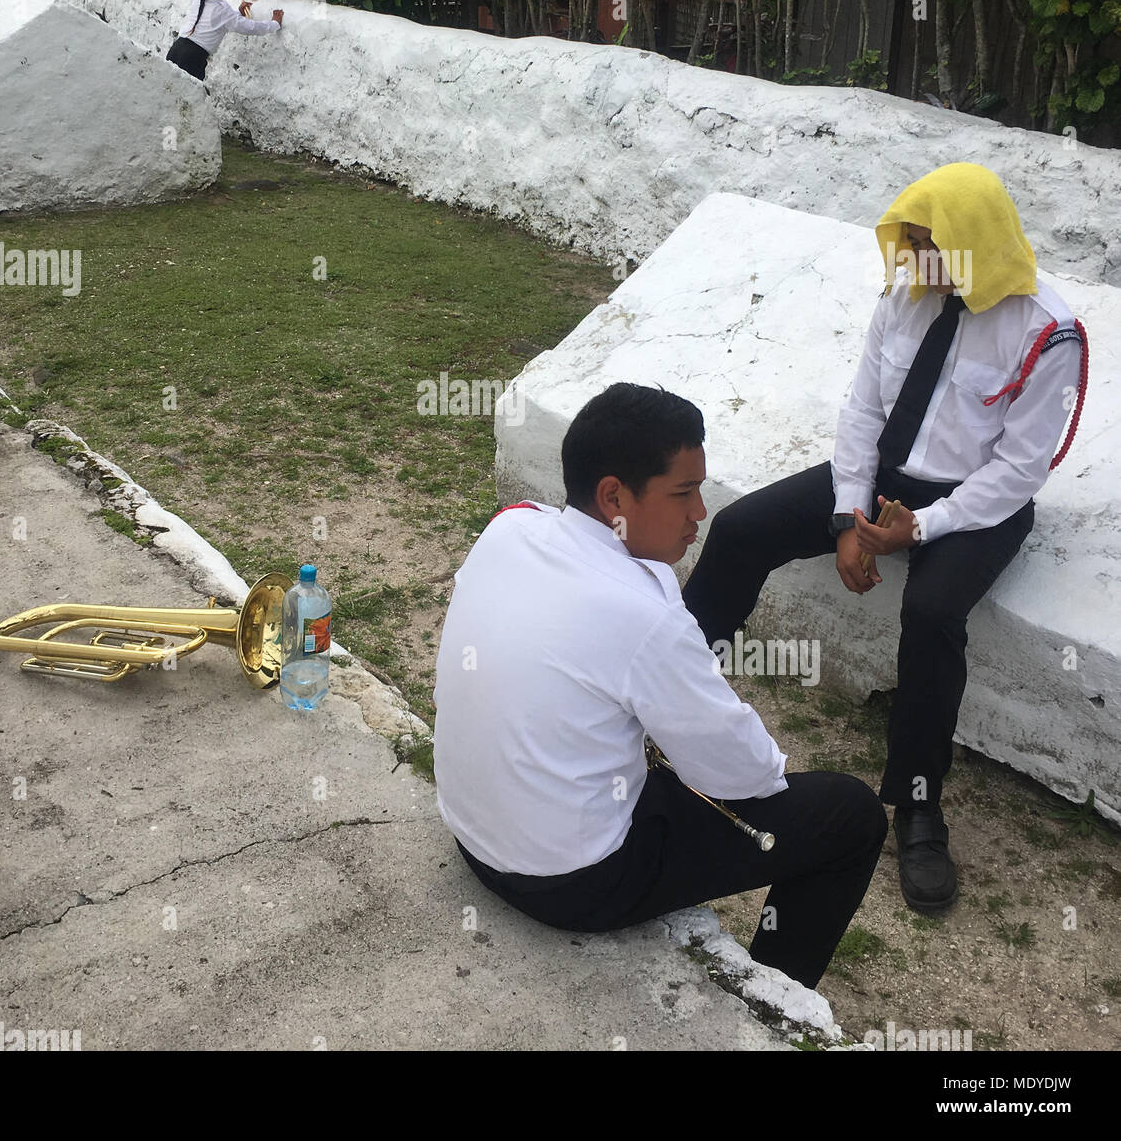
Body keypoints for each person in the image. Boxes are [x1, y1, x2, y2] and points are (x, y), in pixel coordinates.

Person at [682, 162, 1086, 914]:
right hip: (881, 478)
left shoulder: (1047, 333)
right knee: (741, 530)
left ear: (977, 240)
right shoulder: (904, 298)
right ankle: (670, 688)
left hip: (978, 502)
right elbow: (863, 413)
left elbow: (1020, 469)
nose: (918, 259)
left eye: (934, 245)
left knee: (932, 614)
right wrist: (849, 519)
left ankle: (917, 807)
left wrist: (919, 528)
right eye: (914, 241)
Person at [434, 383, 887, 990]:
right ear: (613, 496)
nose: (700, 513)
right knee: (851, 816)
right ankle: (771, 997)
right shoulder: (644, 611)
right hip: (568, 883)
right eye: (683, 493)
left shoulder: (511, 527)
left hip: (472, 836)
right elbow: (743, 773)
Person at [165, 0, 283, 81]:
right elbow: (249, 27)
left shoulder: (198, 0)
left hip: (176, 50)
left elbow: (218, 20)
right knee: (191, 93)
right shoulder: (221, 9)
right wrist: (274, 24)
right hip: (192, 58)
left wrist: (238, 13)